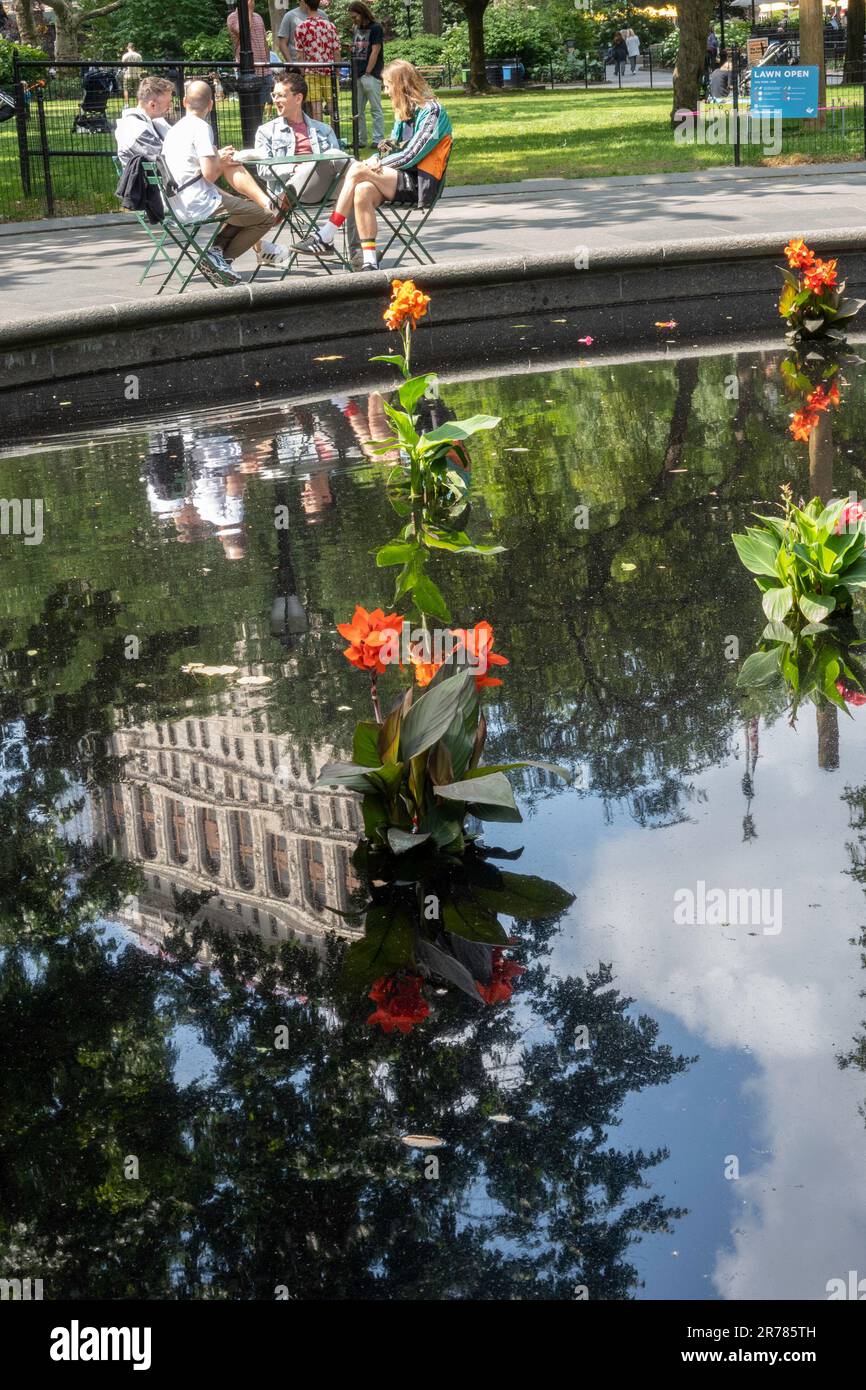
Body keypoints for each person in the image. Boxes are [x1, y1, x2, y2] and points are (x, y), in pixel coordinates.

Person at [295, 59, 451, 271]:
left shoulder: (432, 111)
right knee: (362, 190)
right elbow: (394, 147)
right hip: (397, 179)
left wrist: (377, 163)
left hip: (420, 182)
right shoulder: (404, 113)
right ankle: (369, 261)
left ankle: (327, 234)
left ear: (400, 85)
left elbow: (413, 154)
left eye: (387, 86)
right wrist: (379, 157)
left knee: (357, 169)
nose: (386, 92)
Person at [160, 79, 276, 287]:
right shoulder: (201, 127)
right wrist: (219, 159)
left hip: (175, 202)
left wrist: (215, 157)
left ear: (184, 101)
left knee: (239, 206)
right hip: (197, 201)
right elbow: (209, 174)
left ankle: (216, 252)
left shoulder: (174, 130)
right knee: (265, 217)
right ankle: (219, 259)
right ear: (211, 105)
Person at [254, 70, 362, 268]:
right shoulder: (266, 131)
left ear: (298, 98)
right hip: (289, 192)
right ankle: (368, 172)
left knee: (356, 187)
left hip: (322, 188)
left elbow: (338, 166)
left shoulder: (323, 129)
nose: (275, 100)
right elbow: (262, 170)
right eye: (274, 95)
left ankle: (358, 255)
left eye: (281, 95)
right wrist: (295, 167)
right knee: (333, 156)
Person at [294, 0, 341, 122]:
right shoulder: (330, 26)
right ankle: (335, 134)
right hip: (329, 70)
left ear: (305, 4)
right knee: (332, 105)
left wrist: (302, 72)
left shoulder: (301, 27)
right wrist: (337, 70)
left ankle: (319, 137)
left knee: (316, 108)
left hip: (311, 71)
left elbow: (300, 55)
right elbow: (336, 51)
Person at [115, 73, 174, 168]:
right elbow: (168, 158)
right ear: (152, 105)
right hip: (155, 182)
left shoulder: (154, 122)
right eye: (168, 103)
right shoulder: (134, 128)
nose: (170, 106)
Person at [227, 0, 273, 117]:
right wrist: (249, 10)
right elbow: (243, 32)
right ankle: (250, 133)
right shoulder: (232, 17)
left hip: (264, 70)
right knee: (250, 109)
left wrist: (268, 64)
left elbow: (264, 41)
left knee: (261, 109)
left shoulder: (258, 17)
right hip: (247, 71)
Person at [348, 2, 384, 149]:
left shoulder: (375, 28)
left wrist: (368, 71)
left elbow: (375, 51)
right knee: (357, 111)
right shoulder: (356, 28)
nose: (353, 20)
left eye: (354, 16)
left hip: (371, 74)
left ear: (362, 13)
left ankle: (378, 139)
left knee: (375, 109)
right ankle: (360, 140)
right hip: (357, 73)